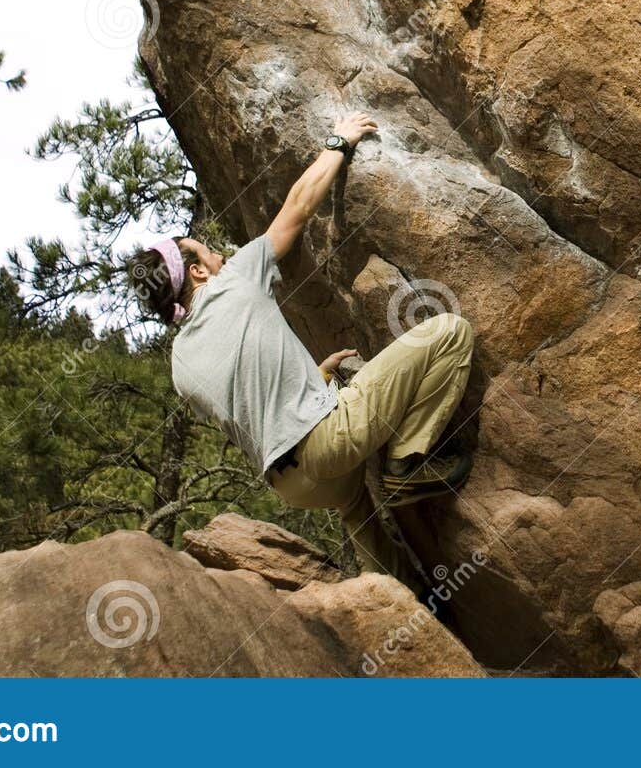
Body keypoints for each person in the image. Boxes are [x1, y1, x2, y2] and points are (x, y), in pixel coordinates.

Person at [125, 111, 474, 578]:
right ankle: (406, 464)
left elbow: (250, 400)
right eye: (208, 250)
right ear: (199, 271)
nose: (219, 254)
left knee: (360, 516)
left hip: (295, 485)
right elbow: (299, 205)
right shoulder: (235, 279)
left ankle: (405, 604)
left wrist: (316, 379)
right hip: (327, 443)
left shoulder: (179, 365)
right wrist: (339, 141)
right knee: (450, 331)